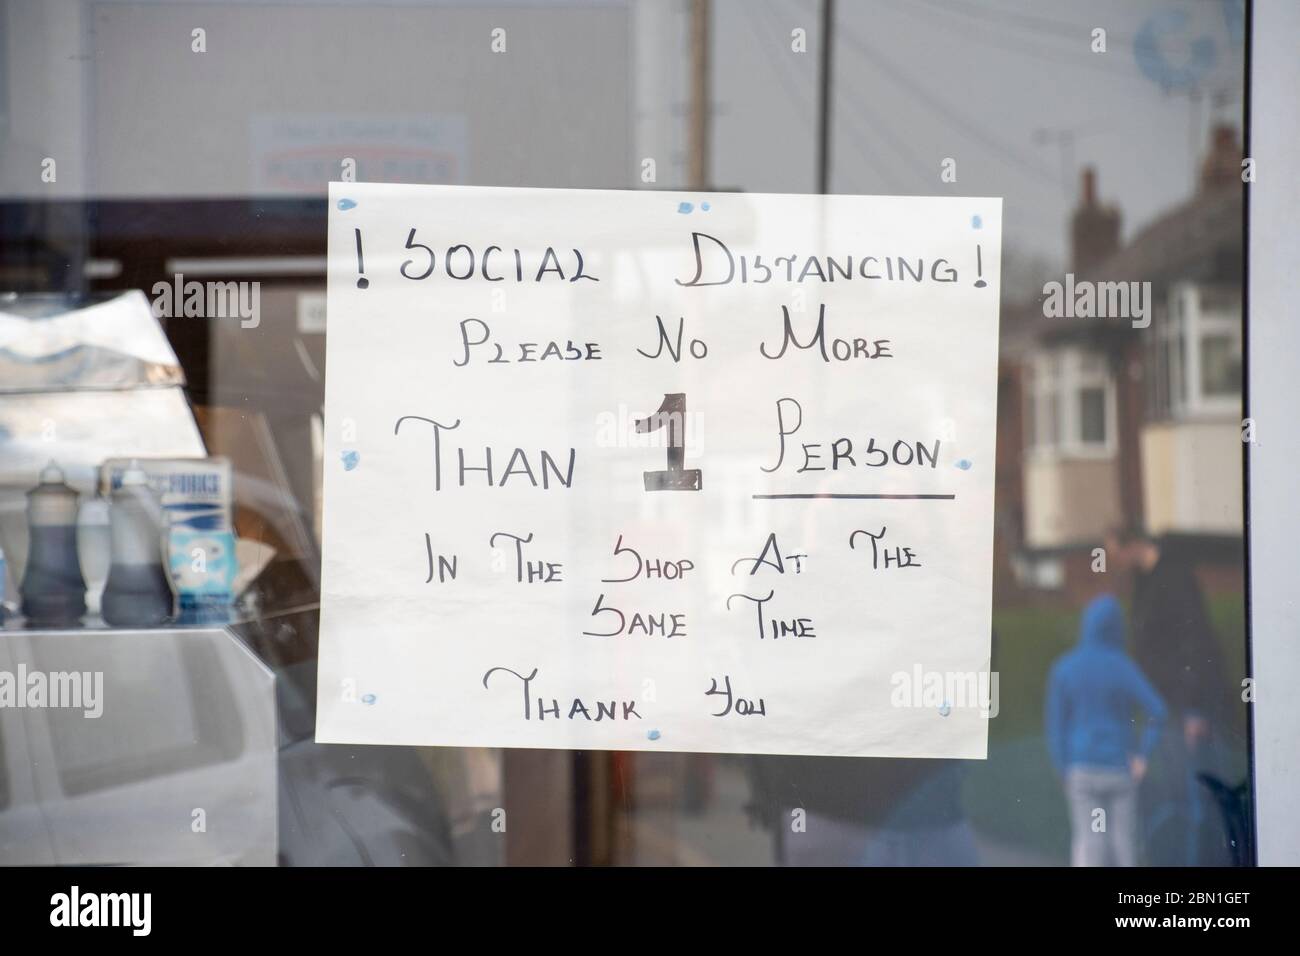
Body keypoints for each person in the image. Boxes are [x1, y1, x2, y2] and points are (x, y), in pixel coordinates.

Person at [1105, 527, 1234, 864]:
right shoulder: (1144, 582)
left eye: (1115, 551)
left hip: (1184, 704)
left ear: (1132, 544)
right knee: (1180, 788)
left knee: (1197, 790)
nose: (1114, 561)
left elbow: (1194, 642)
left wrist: (1195, 710)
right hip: (1164, 703)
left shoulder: (1174, 579)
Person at [1046, 594, 1166, 867]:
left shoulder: (1064, 668)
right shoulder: (1122, 666)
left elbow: (1055, 725)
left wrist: (1061, 766)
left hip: (1081, 767)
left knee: (1088, 841)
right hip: (1118, 767)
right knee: (1122, 843)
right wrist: (1143, 755)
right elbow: (1157, 711)